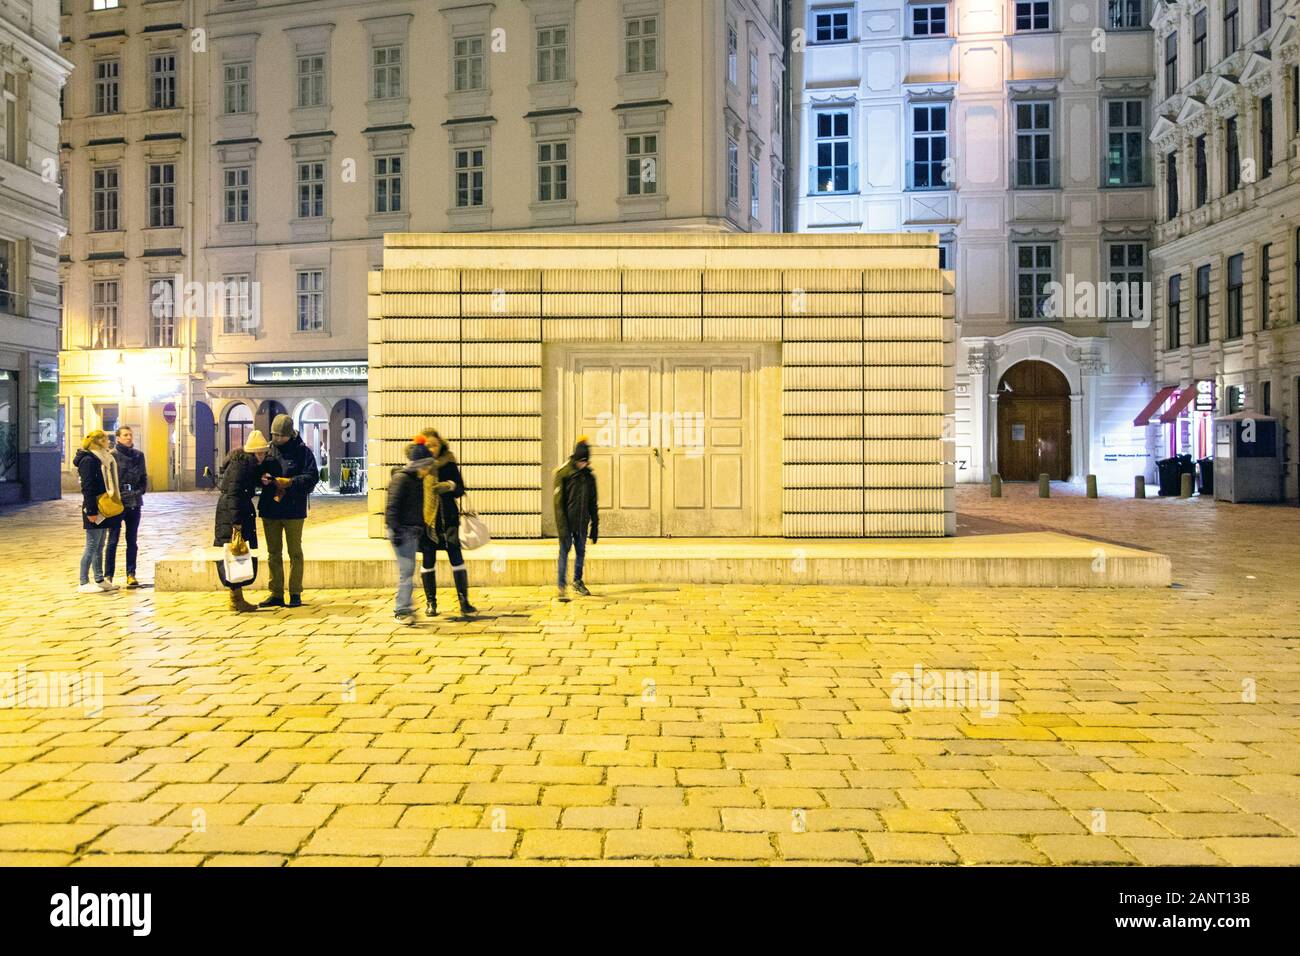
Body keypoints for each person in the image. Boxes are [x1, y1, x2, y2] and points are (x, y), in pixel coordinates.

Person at [257, 413, 319, 608]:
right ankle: (275, 593)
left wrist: (291, 482)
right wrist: (263, 478)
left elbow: (312, 477)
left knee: (295, 552)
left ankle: (295, 593)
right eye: (274, 435)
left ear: (289, 434)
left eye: (280, 436)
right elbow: (256, 472)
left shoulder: (303, 452)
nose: (276, 439)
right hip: (270, 509)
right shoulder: (267, 450)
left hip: (293, 510)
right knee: (273, 553)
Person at [416, 428, 476, 616]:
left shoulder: (449, 462)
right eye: (428, 446)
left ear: (441, 445)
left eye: (435, 445)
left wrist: (450, 485)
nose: (432, 449)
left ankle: (464, 601)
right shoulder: (418, 466)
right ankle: (431, 603)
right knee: (428, 560)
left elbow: (460, 489)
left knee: (456, 557)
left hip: (448, 519)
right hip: (427, 521)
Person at [385, 440, 441, 625]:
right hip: (402, 533)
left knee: (407, 571)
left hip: (411, 532)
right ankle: (401, 610)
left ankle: (405, 608)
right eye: (427, 467)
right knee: (406, 572)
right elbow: (391, 509)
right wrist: (398, 532)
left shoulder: (416, 480)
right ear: (420, 465)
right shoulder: (402, 479)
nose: (428, 471)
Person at [214, 430, 270, 613]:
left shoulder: (246, 464)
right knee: (235, 554)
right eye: (259, 453)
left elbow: (243, 486)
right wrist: (236, 523)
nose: (262, 457)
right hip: (232, 515)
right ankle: (235, 599)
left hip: (235, 513)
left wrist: (259, 480)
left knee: (238, 554)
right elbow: (235, 494)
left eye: (263, 453)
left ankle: (236, 598)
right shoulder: (241, 465)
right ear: (252, 452)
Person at [74, 430, 122, 593]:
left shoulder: (102, 457)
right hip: (94, 507)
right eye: (106, 439)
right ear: (98, 442)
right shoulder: (88, 460)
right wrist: (91, 511)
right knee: (92, 545)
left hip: (103, 505)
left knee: (100, 545)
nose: (109, 441)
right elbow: (87, 487)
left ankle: (99, 579)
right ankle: (83, 581)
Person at [553, 437, 599, 601]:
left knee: (580, 552)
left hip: (581, 523)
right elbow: (558, 505)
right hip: (567, 522)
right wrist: (563, 528)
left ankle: (577, 581)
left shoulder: (589, 478)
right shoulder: (564, 474)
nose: (583, 464)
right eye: (580, 461)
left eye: (585, 462)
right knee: (564, 553)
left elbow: (593, 502)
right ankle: (561, 586)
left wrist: (595, 525)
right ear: (575, 458)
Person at [105, 425, 147, 588]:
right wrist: (116, 495)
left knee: (132, 539)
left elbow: (143, 477)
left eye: (130, 435)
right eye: (125, 435)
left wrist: (139, 492)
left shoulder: (139, 455)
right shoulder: (112, 456)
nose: (129, 438)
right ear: (118, 438)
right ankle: (108, 575)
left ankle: (131, 574)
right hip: (117, 501)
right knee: (113, 540)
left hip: (134, 502)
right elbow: (108, 479)